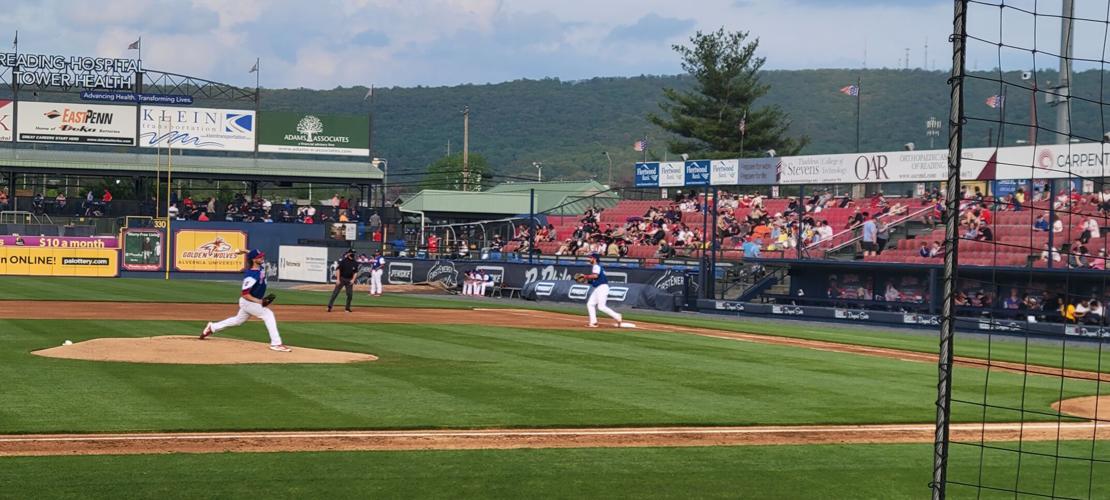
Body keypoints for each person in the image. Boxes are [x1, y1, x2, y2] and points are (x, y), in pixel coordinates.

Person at [200, 249, 290, 352]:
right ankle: (276, 344)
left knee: (238, 320)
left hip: (250, 302)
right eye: (259, 257)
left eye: (262, 256)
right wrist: (259, 302)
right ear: (254, 260)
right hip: (248, 302)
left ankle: (212, 327)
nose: (262, 258)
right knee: (268, 314)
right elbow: (245, 294)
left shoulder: (260, 266)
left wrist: (243, 251)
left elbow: (252, 254)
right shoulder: (251, 275)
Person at [583, 252, 625, 328]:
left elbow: (595, 276)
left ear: (595, 259)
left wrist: (585, 276)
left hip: (602, 288)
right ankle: (593, 322)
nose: (589, 259)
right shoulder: (597, 267)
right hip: (599, 287)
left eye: (591, 258)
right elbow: (595, 280)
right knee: (590, 304)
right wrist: (585, 281)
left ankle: (617, 316)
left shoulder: (596, 266)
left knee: (601, 307)